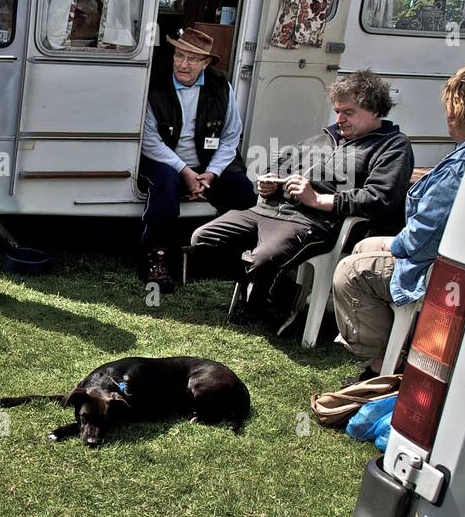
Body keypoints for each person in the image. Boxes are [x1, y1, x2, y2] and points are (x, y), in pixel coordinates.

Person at [190, 69, 414, 327]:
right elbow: (279, 165)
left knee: (265, 258)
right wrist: (267, 183)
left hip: (315, 220)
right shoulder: (323, 137)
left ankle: (259, 304)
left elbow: (380, 199)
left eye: (348, 112)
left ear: (375, 110)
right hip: (267, 210)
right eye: (337, 111)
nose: (339, 118)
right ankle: (278, 289)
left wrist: (318, 199)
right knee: (203, 239)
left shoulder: (393, 146)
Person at [332, 63, 465, 382]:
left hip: (440, 265)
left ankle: (382, 360)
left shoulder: (462, 164)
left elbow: (424, 237)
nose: (447, 117)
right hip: (463, 258)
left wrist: (395, 244)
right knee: (365, 245)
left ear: (460, 111)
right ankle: (398, 339)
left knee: (350, 273)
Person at [139, 27, 256, 292]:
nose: (183, 64)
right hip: (167, 162)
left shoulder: (220, 85)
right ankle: (155, 261)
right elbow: (148, 140)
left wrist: (211, 174)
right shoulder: (155, 84)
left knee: (243, 190)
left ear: (205, 63)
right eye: (179, 55)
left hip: (206, 166)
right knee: (165, 185)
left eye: (192, 59)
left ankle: (239, 258)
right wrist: (184, 171)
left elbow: (230, 136)